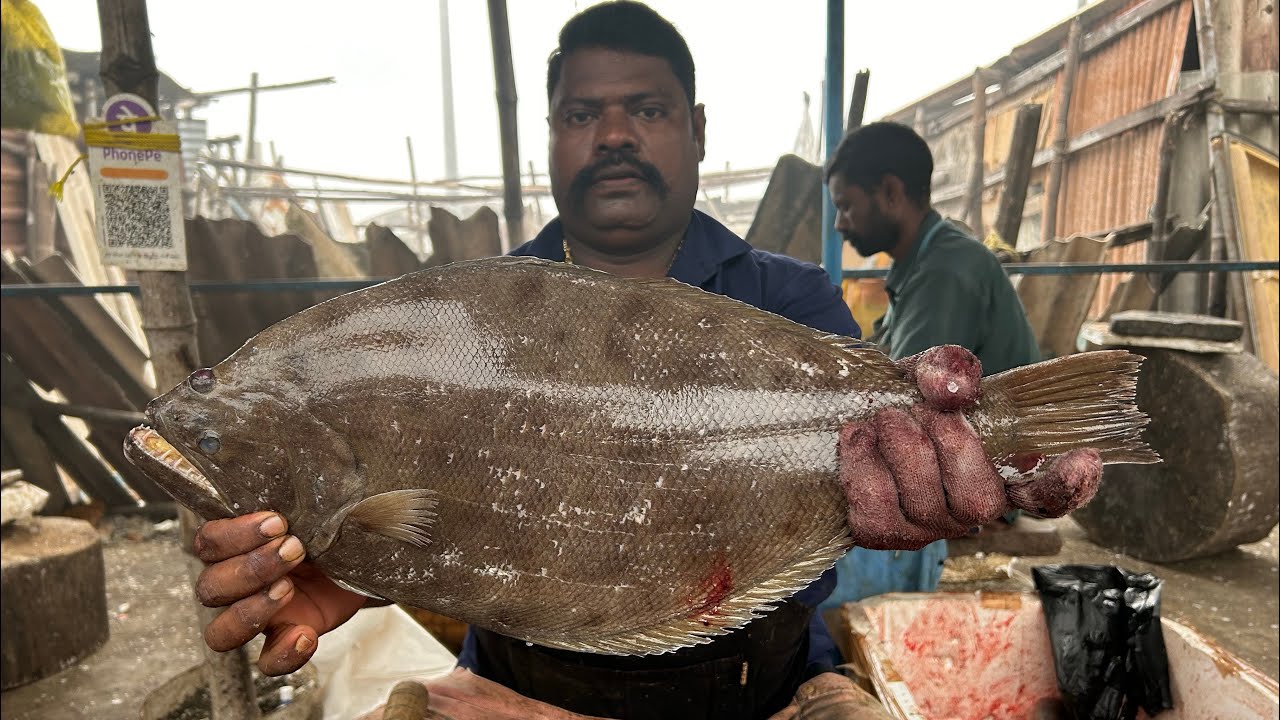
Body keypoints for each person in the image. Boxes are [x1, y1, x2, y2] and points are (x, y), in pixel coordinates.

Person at [191, 4, 1091, 719]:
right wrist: (348, 564)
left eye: (647, 110)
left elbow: (819, 554)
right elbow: (441, 521)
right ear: (551, 136)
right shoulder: (468, 317)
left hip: (761, 687)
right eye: (583, 114)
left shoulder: (789, 296)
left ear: (696, 129)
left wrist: (922, 477)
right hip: (520, 686)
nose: (614, 135)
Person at [821, 121, 1042, 611]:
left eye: (845, 205)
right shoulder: (921, 265)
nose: (839, 223)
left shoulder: (946, 271)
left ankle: (847, 633)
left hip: (983, 475)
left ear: (891, 192)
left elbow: (901, 404)